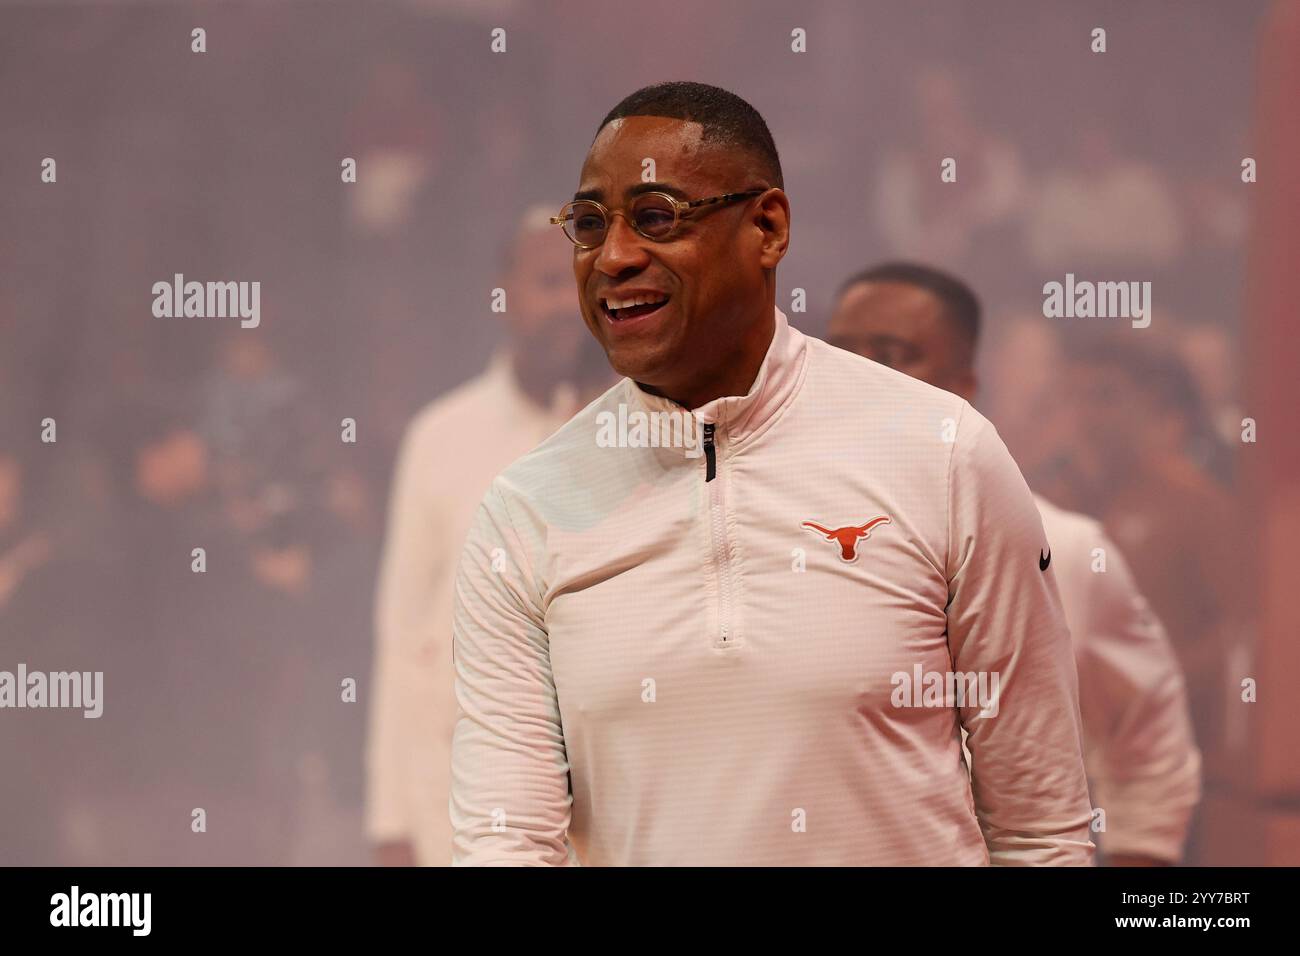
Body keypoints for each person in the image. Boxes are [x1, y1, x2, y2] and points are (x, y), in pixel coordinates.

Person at [449, 82, 1094, 866]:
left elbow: (1041, 831)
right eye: (589, 226)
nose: (613, 257)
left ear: (767, 227)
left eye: (656, 217)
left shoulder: (944, 452)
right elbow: (504, 843)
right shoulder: (528, 510)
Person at [827, 261, 1202, 866]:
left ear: (963, 385)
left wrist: (1141, 865)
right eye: (838, 352)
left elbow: (1146, 735)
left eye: (894, 353)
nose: (860, 372)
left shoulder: (1068, 547)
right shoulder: (766, 537)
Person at [365, 204, 614, 866]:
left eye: (583, 281)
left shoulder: (645, 427)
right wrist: (391, 823)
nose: (570, 303)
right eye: (548, 283)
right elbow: (400, 633)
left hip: (611, 806)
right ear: (502, 296)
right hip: (462, 804)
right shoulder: (441, 437)